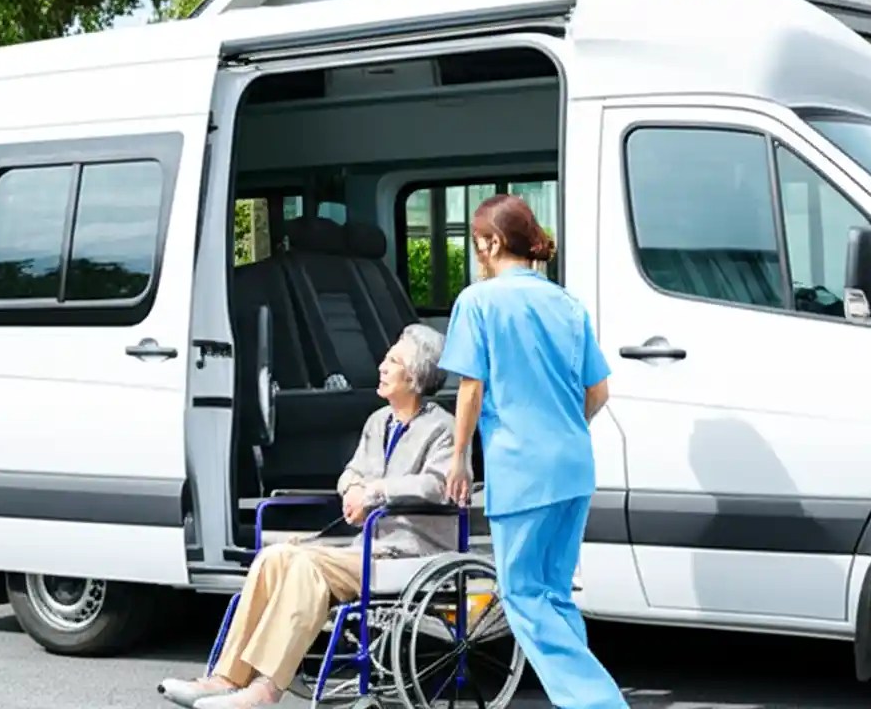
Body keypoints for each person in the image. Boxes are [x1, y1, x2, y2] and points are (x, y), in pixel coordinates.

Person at [158, 323, 470, 709]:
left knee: (305, 566)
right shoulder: (378, 421)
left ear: (415, 375)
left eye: (392, 360)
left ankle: (265, 690)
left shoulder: (441, 428)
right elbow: (351, 472)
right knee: (274, 557)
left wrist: (373, 492)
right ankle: (225, 678)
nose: (382, 366)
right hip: (367, 547)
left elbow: (437, 486)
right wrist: (352, 490)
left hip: (410, 553)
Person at [438, 194, 626, 709]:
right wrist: (562, 428)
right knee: (556, 596)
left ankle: (598, 703)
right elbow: (599, 392)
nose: (478, 253)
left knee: (523, 598)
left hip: (521, 471)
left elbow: (471, 389)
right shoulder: (567, 303)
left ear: (493, 243)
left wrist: (459, 456)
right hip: (572, 466)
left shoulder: (479, 301)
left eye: (478, 243)